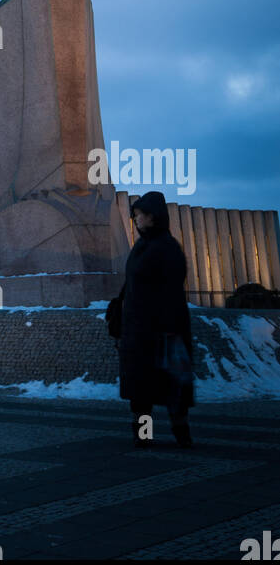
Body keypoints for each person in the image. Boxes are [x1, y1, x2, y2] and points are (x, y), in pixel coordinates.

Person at [116, 191, 194, 449]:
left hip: (162, 330)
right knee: (141, 388)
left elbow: (170, 290)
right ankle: (143, 434)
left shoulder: (166, 248)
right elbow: (132, 283)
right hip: (138, 331)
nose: (136, 220)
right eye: (135, 215)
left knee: (171, 383)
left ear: (153, 217)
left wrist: (165, 326)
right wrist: (119, 305)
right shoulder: (141, 246)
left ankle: (181, 432)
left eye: (139, 215)